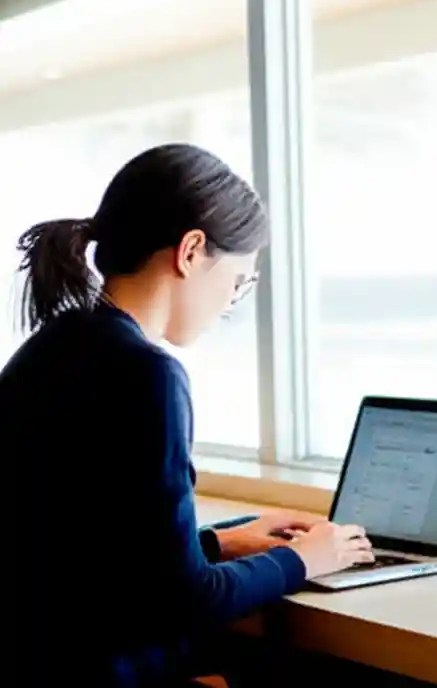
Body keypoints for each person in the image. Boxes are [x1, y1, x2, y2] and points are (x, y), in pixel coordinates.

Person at [0, 144, 373, 687]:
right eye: (239, 282)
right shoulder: (145, 373)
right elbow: (182, 601)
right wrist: (307, 559)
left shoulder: (52, 346)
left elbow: (87, 558)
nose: (229, 303)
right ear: (192, 250)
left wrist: (220, 541)